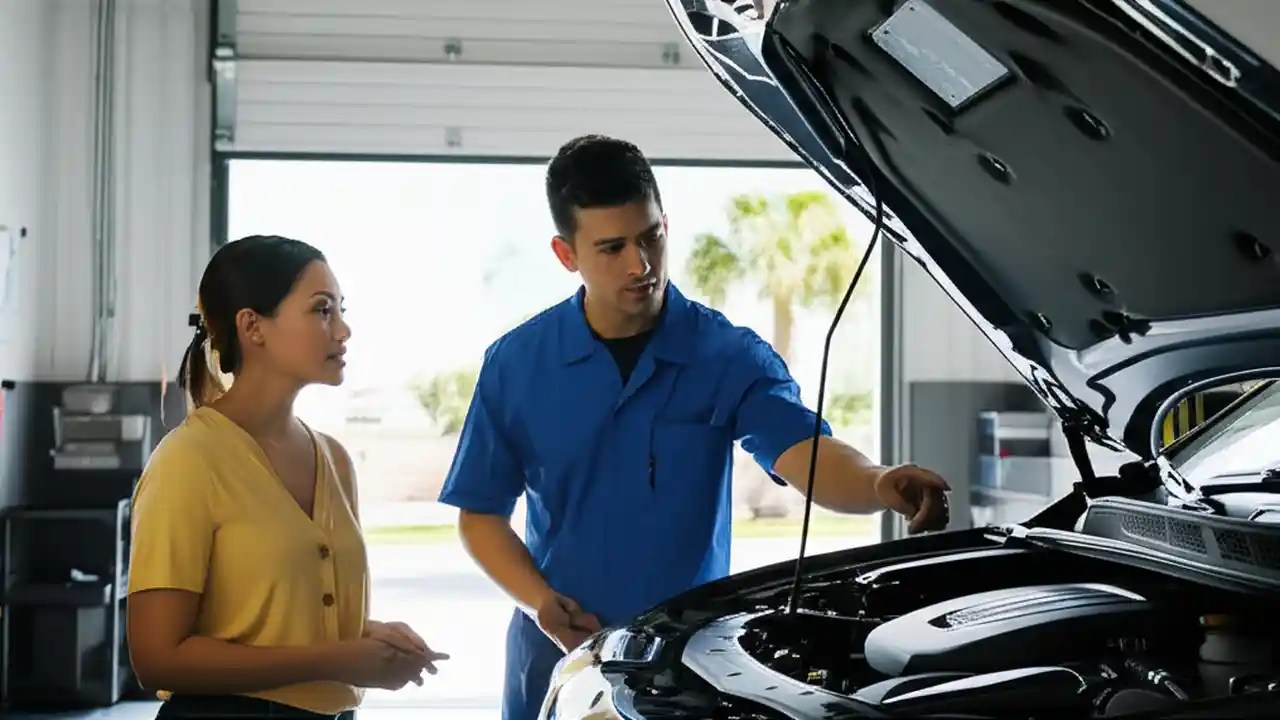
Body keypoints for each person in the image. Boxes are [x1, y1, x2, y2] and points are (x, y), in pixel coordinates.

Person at [437, 135, 951, 719]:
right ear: (566, 254)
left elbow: (807, 451)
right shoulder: (516, 364)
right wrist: (538, 603)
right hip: (556, 653)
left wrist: (879, 483)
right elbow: (480, 516)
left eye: (651, 237)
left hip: (683, 668)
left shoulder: (726, 355)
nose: (641, 265)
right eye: (612, 248)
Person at [126, 235, 448, 719]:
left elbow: (276, 622)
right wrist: (338, 658)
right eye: (322, 310)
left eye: (340, 309)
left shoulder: (334, 459)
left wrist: (367, 637)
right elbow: (158, 659)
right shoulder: (189, 460)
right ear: (253, 326)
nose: (343, 330)